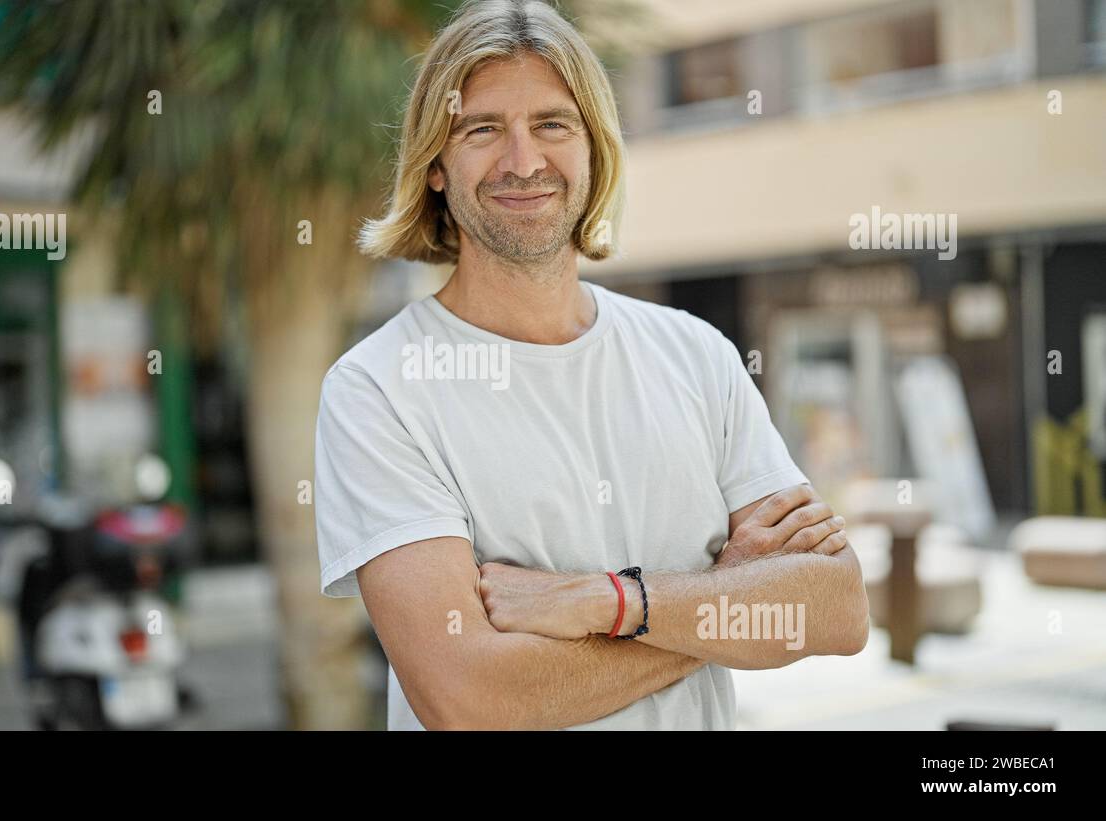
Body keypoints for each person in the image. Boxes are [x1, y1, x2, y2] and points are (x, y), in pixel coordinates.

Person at [314, 0, 869, 730]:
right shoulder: (378, 389)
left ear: (593, 148)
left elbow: (837, 607)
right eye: (482, 129)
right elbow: (469, 697)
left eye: (552, 124)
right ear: (437, 166)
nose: (523, 161)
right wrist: (722, 598)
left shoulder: (695, 353)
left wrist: (611, 601)